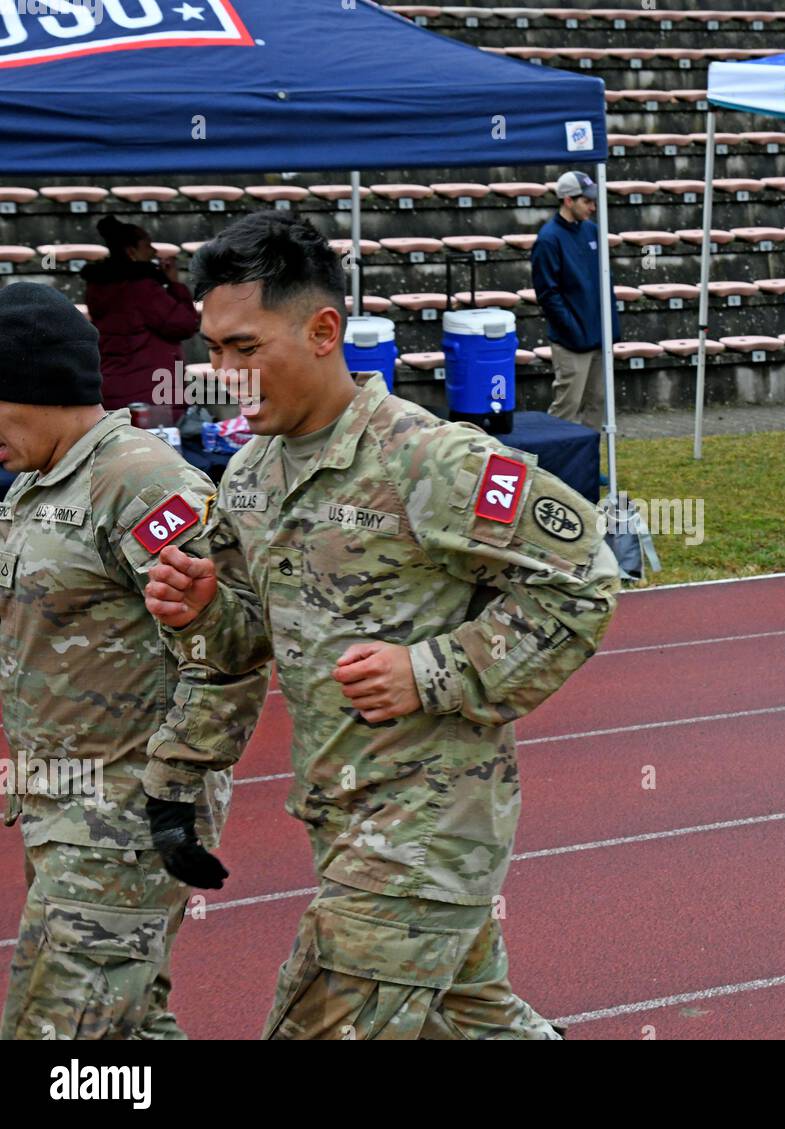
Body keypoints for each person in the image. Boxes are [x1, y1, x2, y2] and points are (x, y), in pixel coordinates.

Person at [141, 212, 621, 1040]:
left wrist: (432, 670)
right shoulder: (254, 470)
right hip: (339, 813)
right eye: (213, 350)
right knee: (468, 1022)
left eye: (245, 349)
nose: (223, 375)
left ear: (324, 330)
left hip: (424, 832)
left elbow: (586, 578)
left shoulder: (430, 459)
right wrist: (205, 608)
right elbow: (248, 639)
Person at [0, 283, 267, 1040]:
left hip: (123, 819)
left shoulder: (141, 482)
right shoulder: (36, 484)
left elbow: (230, 649)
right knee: (129, 1029)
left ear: (32, 388)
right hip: (62, 812)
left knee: (57, 1041)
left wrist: (175, 794)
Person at [83, 215, 200, 423]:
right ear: (132, 252)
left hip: (113, 389)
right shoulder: (142, 289)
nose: (154, 251)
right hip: (151, 393)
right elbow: (184, 324)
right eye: (148, 245)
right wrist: (175, 285)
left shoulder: (97, 287)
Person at [531, 170, 620, 433]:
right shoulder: (548, 239)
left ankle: (588, 468)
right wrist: (573, 329)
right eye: (587, 201)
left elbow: (605, 281)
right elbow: (547, 294)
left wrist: (609, 327)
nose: (593, 207)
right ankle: (554, 468)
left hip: (598, 337)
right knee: (566, 407)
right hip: (572, 343)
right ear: (568, 200)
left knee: (598, 403)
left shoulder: (592, 231)